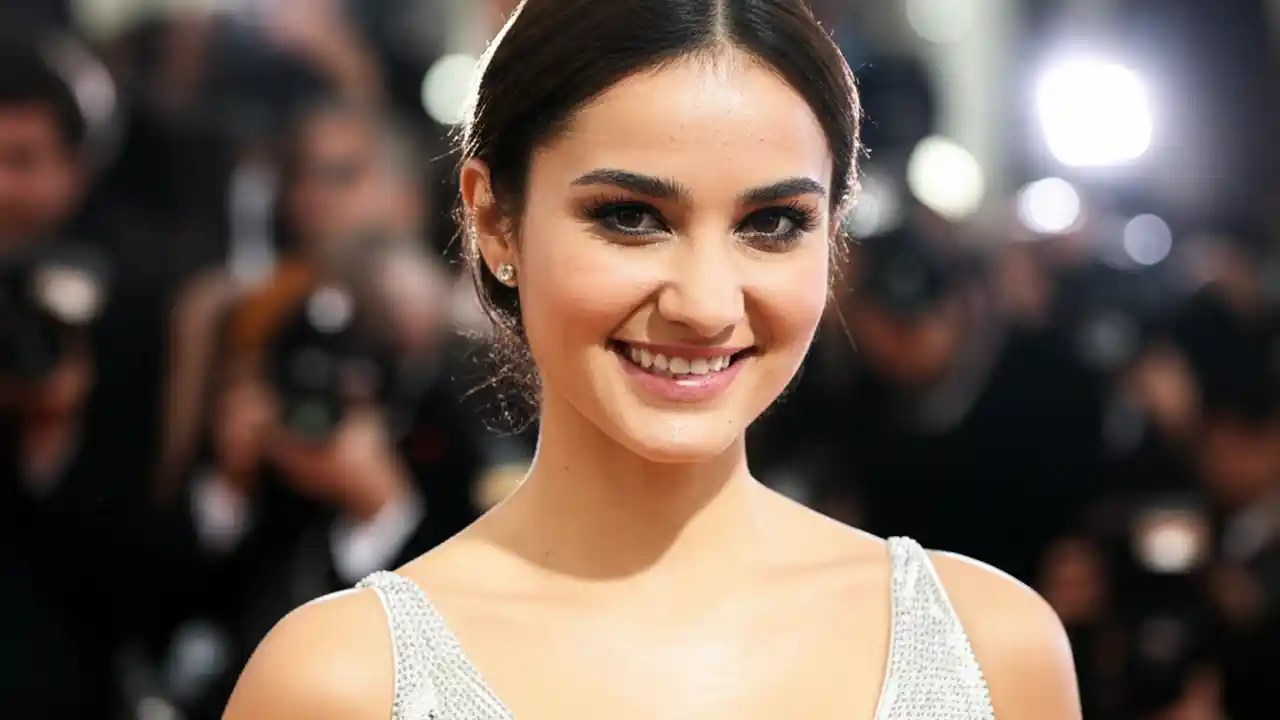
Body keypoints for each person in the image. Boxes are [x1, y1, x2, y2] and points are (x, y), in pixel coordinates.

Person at [226, 1, 1080, 718]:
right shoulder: (340, 684)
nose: (705, 306)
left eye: (772, 223)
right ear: (494, 222)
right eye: (631, 217)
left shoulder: (993, 653)